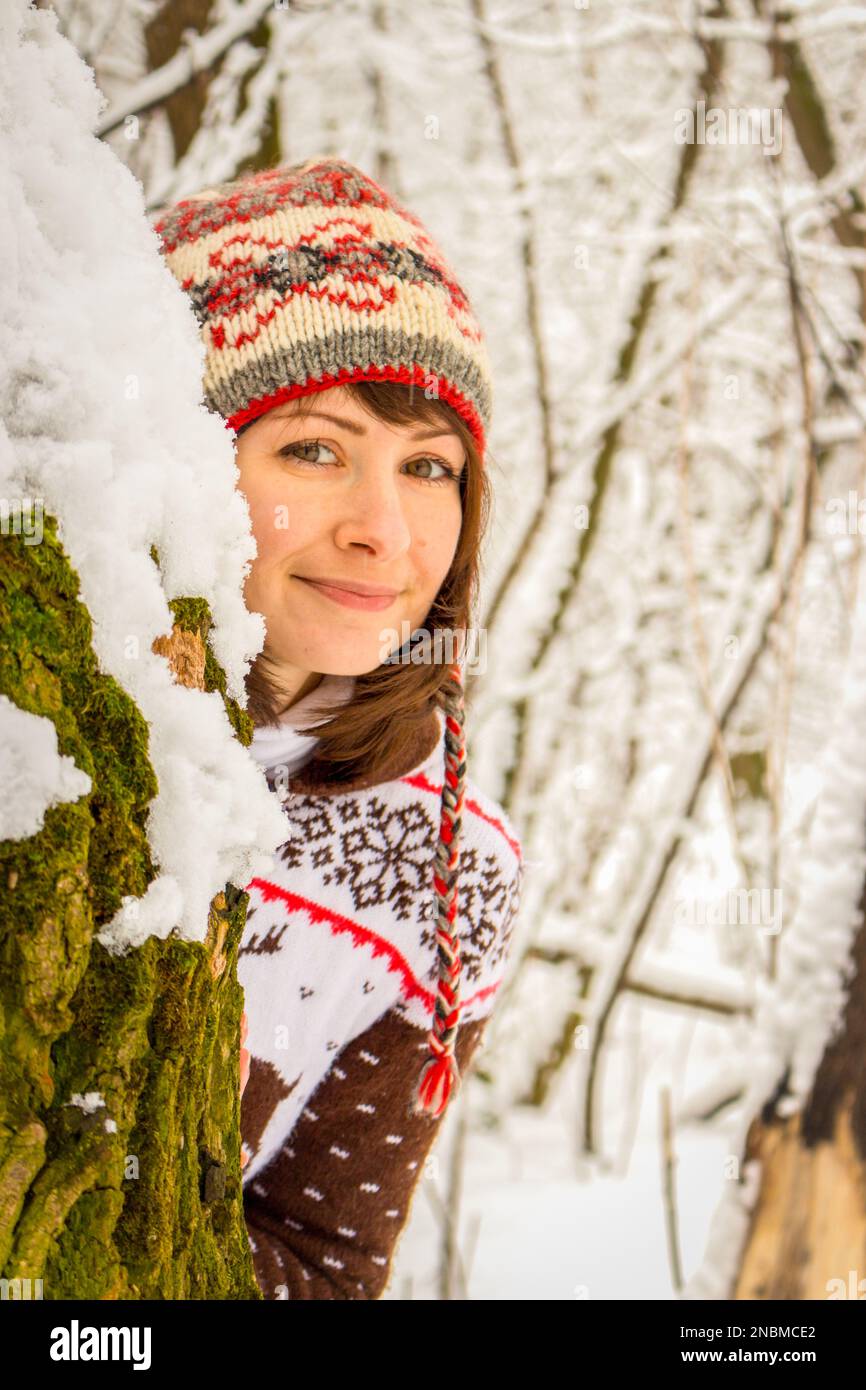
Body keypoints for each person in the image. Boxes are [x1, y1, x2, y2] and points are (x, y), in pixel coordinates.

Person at [154, 156, 524, 1299]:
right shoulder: (44, 745)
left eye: (426, 466)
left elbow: (320, 1259)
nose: (385, 529)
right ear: (182, 467)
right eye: (313, 448)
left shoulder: (448, 867)